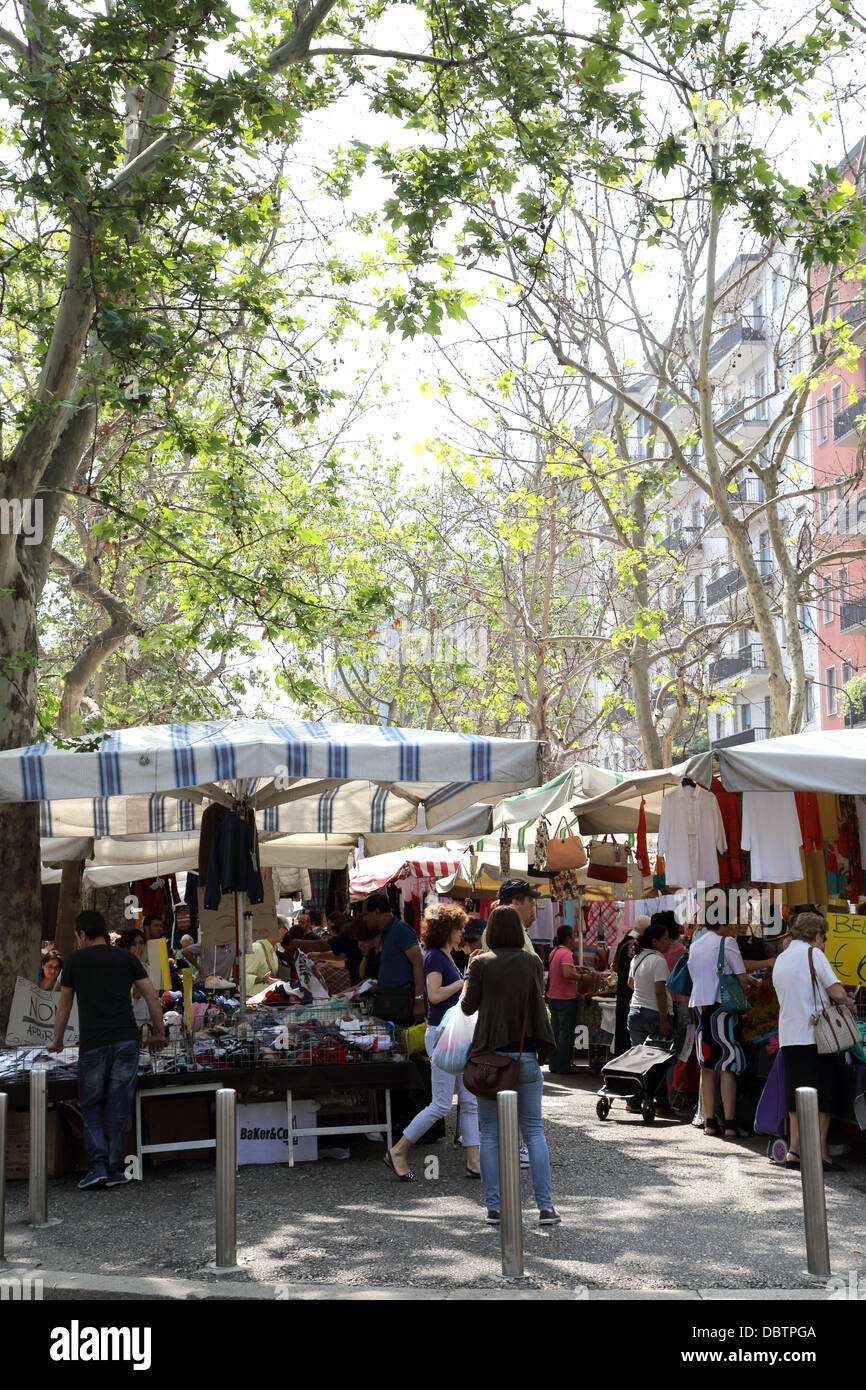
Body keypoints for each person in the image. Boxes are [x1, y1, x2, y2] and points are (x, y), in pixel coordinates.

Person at [49, 910, 166, 1190]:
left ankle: (98, 1167)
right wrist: (159, 1031)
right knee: (117, 1105)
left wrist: (57, 1040)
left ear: (83, 934)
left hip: (93, 1043)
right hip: (126, 1040)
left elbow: (64, 1004)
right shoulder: (126, 958)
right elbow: (152, 996)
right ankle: (114, 1168)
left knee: (90, 1104)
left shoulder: (76, 960)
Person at [461, 904, 559, 1225]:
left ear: (490, 931)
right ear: (518, 931)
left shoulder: (482, 964)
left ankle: (495, 1207)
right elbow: (537, 1000)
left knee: (489, 1132)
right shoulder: (532, 962)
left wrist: (469, 971)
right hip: (526, 1055)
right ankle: (545, 1208)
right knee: (533, 1131)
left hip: (491, 1060)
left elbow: (467, 1007)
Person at [384, 903, 480, 1181]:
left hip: (452, 1034)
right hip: (443, 1034)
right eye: (458, 927)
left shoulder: (445, 955)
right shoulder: (436, 957)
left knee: (469, 1100)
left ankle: (473, 1161)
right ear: (445, 930)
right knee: (440, 1104)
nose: (462, 931)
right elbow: (434, 995)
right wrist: (464, 981)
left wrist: (467, 974)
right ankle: (398, 1151)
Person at [771, 911, 851, 1171]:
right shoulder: (813, 954)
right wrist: (847, 1000)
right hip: (817, 1037)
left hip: (789, 1036)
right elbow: (836, 991)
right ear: (816, 935)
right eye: (823, 937)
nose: (824, 942)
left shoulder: (782, 959)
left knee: (797, 1097)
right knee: (824, 1095)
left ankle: (794, 1150)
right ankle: (819, 1153)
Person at [688, 917, 756, 1138]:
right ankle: (730, 1123)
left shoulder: (695, 943)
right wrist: (754, 982)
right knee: (728, 1063)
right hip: (722, 1006)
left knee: (707, 1064)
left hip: (700, 1005)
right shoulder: (726, 942)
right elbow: (741, 976)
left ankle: (709, 1121)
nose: (733, 929)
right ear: (721, 925)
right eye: (730, 924)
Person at [362, 892, 425, 1023]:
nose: (364, 919)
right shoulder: (386, 933)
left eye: (365, 915)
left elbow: (418, 963)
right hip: (390, 1001)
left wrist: (419, 1000)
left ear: (376, 912)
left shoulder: (400, 929)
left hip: (402, 1004)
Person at [546, 925, 579, 1074]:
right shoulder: (566, 953)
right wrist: (581, 977)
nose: (575, 940)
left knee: (556, 1032)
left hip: (554, 997)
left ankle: (554, 1064)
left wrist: (576, 968)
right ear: (567, 938)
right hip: (565, 998)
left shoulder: (554, 952)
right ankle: (563, 1066)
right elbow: (566, 973)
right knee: (565, 1034)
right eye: (573, 937)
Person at [612, 929, 639, 1056]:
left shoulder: (623, 943)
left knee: (622, 1027)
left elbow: (615, 967)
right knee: (626, 1030)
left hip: (622, 990)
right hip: (628, 993)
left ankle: (620, 1057)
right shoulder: (631, 945)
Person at [117, 926, 150, 1029]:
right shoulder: (121, 969)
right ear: (127, 947)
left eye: (141, 943)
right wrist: (136, 964)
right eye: (134, 944)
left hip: (149, 1019)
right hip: (132, 1020)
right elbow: (136, 994)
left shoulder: (148, 968)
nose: (138, 947)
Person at [245, 932, 281, 996]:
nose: (287, 932)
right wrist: (263, 979)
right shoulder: (256, 948)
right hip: (252, 1000)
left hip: (266, 999)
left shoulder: (273, 950)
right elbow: (242, 978)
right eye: (285, 928)